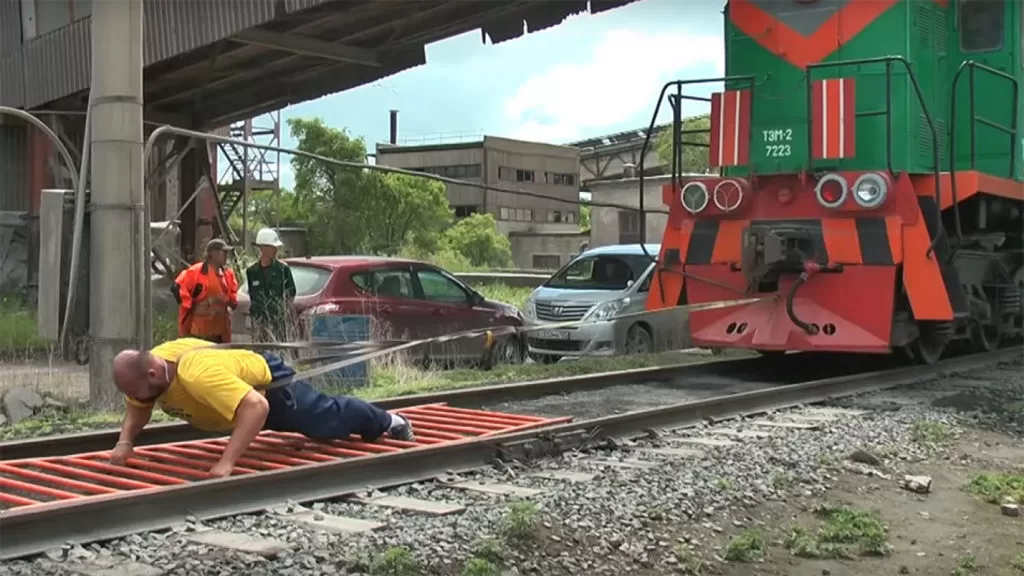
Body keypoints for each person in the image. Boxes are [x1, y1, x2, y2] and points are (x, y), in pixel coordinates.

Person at [109, 337, 415, 478]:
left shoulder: (196, 375)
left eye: (138, 392)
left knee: (327, 423)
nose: (138, 399)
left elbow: (256, 407)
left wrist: (227, 463)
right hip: (237, 395)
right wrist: (125, 442)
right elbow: (138, 407)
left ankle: (390, 421)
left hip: (269, 386)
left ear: (152, 374)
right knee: (318, 430)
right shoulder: (151, 372)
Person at [172, 238, 239, 343]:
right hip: (198, 333)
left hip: (220, 333)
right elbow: (177, 287)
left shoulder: (228, 274)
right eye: (223, 252)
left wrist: (227, 302)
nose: (226, 256)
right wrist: (191, 305)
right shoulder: (195, 272)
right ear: (212, 254)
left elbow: (233, 300)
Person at [246, 228, 296, 343]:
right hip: (259, 321)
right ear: (263, 248)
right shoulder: (252, 271)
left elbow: (291, 293)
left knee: (279, 352)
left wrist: (281, 311)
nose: (276, 250)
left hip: (278, 321)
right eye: (273, 247)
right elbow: (253, 296)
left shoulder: (283, 269)